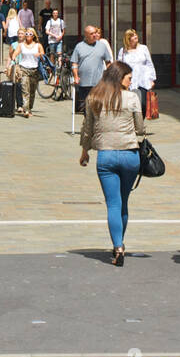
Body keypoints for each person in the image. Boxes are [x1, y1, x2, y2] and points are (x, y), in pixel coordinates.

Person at [79, 61, 146, 266]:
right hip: (129, 155)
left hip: (106, 157)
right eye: (128, 77)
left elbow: (87, 129)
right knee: (123, 202)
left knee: (113, 204)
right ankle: (121, 242)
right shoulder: (132, 97)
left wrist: (84, 151)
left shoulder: (94, 97)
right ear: (119, 77)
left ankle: (118, 246)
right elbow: (141, 128)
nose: (131, 81)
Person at [71, 25, 114, 114]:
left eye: (95, 33)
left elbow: (108, 62)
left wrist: (109, 76)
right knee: (87, 107)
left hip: (98, 82)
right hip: (83, 82)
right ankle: (89, 124)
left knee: (98, 105)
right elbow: (74, 63)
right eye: (91, 34)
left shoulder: (102, 46)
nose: (95, 35)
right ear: (86, 35)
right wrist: (75, 76)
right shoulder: (79, 47)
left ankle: (97, 125)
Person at [117, 29, 156, 112]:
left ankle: (140, 122)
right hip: (130, 81)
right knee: (131, 104)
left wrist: (152, 79)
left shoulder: (143, 48)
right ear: (128, 39)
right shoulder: (123, 51)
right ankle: (134, 123)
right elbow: (120, 66)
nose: (135, 36)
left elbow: (149, 64)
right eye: (132, 36)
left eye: (135, 34)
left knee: (143, 104)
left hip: (143, 80)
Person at [11, 27, 45, 117]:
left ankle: (29, 108)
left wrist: (40, 55)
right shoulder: (21, 45)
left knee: (32, 91)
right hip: (24, 69)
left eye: (30, 34)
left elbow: (43, 55)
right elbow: (15, 53)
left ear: (33, 36)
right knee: (25, 90)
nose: (28, 36)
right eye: (27, 34)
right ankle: (25, 110)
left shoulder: (38, 45)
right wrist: (14, 58)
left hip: (34, 70)